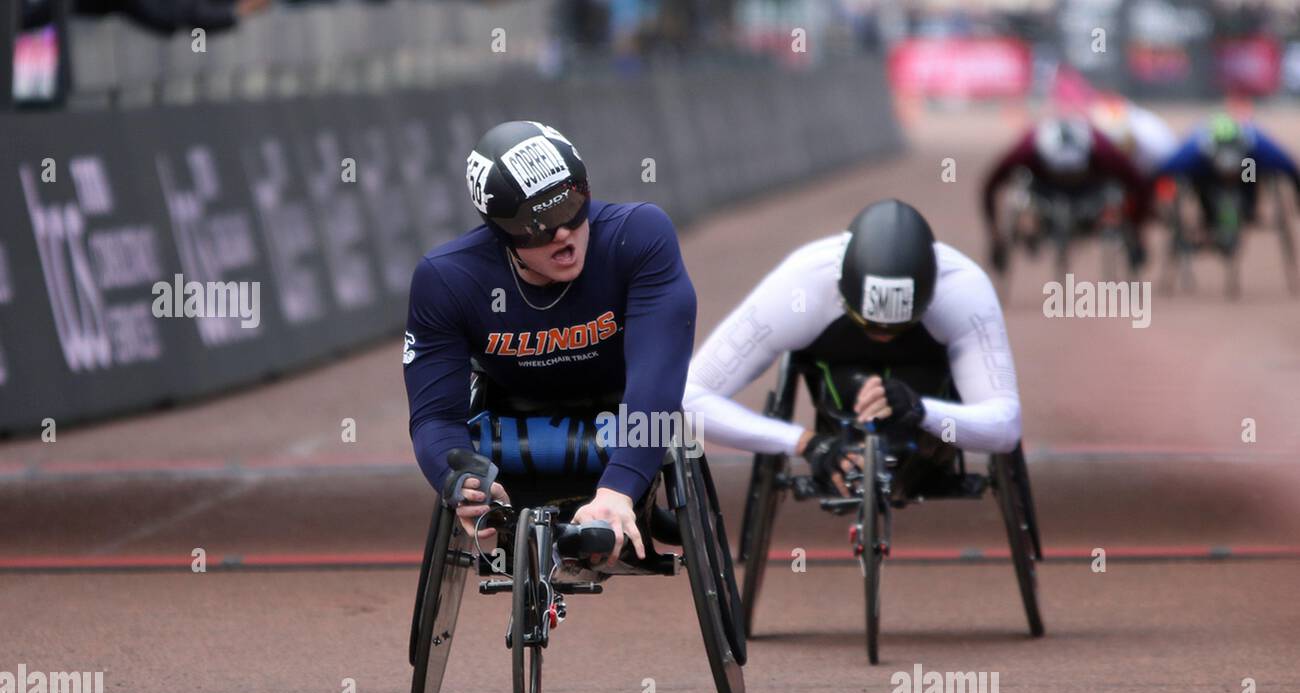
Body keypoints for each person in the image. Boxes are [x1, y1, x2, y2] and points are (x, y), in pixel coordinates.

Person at [403, 120, 696, 561]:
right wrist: (459, 481)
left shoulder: (637, 236)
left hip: (623, 401)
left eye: (570, 206)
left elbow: (659, 384)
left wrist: (619, 488)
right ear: (499, 231)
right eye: (534, 224)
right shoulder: (447, 278)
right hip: (516, 407)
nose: (561, 232)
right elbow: (434, 416)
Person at [683, 199, 1022, 498]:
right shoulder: (799, 286)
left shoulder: (963, 292)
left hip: (925, 416)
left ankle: (919, 454)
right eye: (867, 323)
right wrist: (804, 442)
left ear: (929, 297)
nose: (882, 336)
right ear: (842, 291)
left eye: (897, 328)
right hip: (838, 401)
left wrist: (921, 411)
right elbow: (689, 399)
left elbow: (1006, 426)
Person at [983, 116, 1150, 272]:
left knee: (1115, 193)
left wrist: (1136, 228)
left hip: (1088, 190)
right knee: (1021, 191)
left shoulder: (1103, 150)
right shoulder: (1027, 149)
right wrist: (996, 235)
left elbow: (1138, 185)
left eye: (1070, 173)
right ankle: (1030, 228)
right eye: (1062, 173)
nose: (1066, 179)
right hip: (1045, 188)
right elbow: (990, 186)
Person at [1155, 112, 1300, 248]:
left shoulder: (1260, 146)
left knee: (1249, 169)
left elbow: (1292, 169)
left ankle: (1248, 208)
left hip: (1246, 169)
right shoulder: (1192, 152)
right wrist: (1164, 201)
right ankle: (1209, 216)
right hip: (1206, 173)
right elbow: (1163, 174)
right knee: (1199, 176)